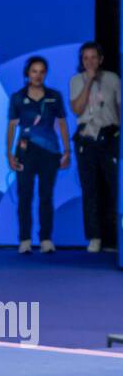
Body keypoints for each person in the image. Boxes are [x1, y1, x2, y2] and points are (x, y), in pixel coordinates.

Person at [7, 56, 70, 253]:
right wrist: (9, 153)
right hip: (25, 152)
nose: (38, 75)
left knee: (46, 196)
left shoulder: (54, 96)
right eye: (34, 71)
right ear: (27, 73)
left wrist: (67, 150)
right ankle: (24, 240)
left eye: (42, 71)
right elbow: (11, 126)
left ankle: (45, 239)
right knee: (24, 196)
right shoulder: (17, 97)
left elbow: (61, 123)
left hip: (50, 153)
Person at [69, 42, 120, 252]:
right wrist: (88, 82)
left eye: (93, 57)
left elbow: (119, 108)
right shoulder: (75, 80)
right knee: (90, 189)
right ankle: (94, 237)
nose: (89, 62)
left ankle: (117, 238)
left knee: (116, 187)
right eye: (85, 58)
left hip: (109, 137)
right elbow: (76, 108)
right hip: (86, 138)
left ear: (101, 59)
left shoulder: (113, 79)